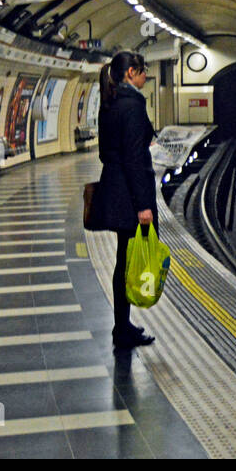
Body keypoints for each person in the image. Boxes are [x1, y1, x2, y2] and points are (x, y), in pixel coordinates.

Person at [90, 51, 157, 350]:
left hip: (115, 189)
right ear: (131, 72)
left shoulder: (111, 102)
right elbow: (134, 158)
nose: (145, 77)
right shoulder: (131, 105)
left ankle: (122, 325)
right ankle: (122, 329)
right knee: (126, 263)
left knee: (124, 260)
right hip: (128, 196)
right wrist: (143, 204)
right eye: (143, 72)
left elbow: (112, 150)